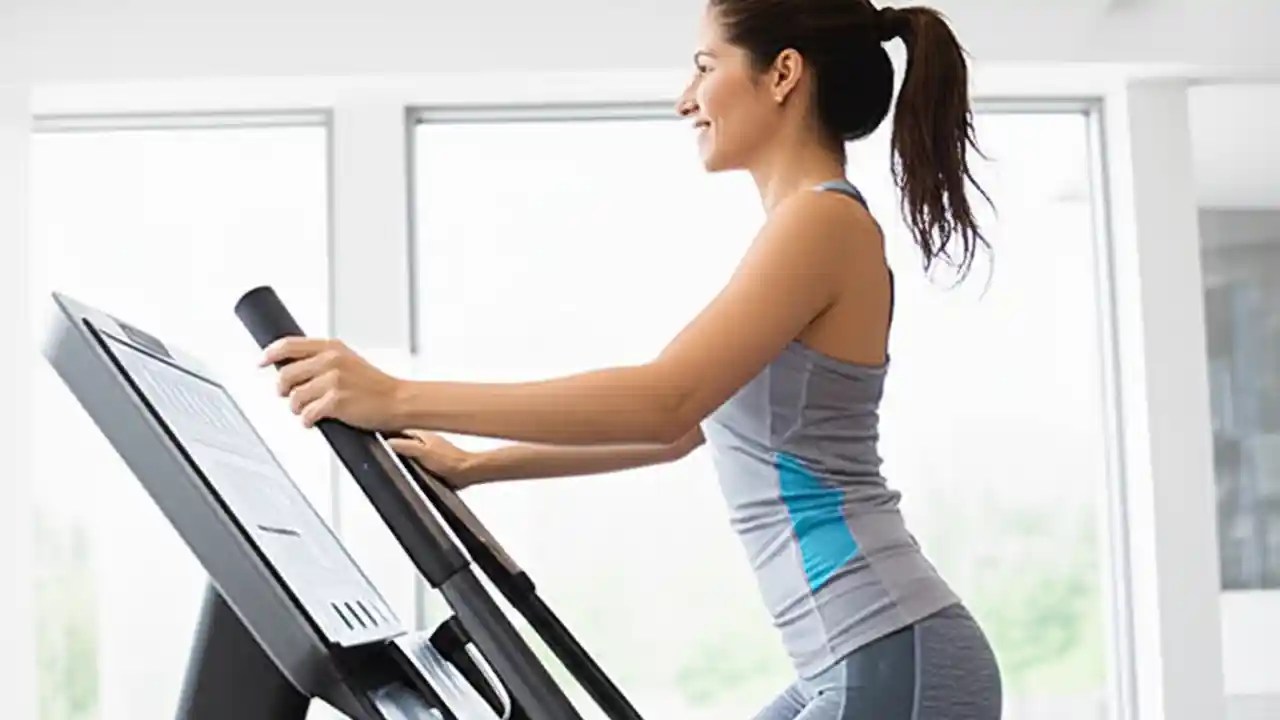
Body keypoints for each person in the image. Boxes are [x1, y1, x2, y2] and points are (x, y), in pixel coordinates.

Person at [260, 1, 1002, 717]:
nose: (687, 100)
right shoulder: (806, 226)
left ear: (782, 74)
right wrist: (477, 465)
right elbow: (678, 431)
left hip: (888, 648)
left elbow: (662, 401)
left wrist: (395, 396)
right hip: (856, 654)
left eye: (705, 66)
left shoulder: (821, 223)